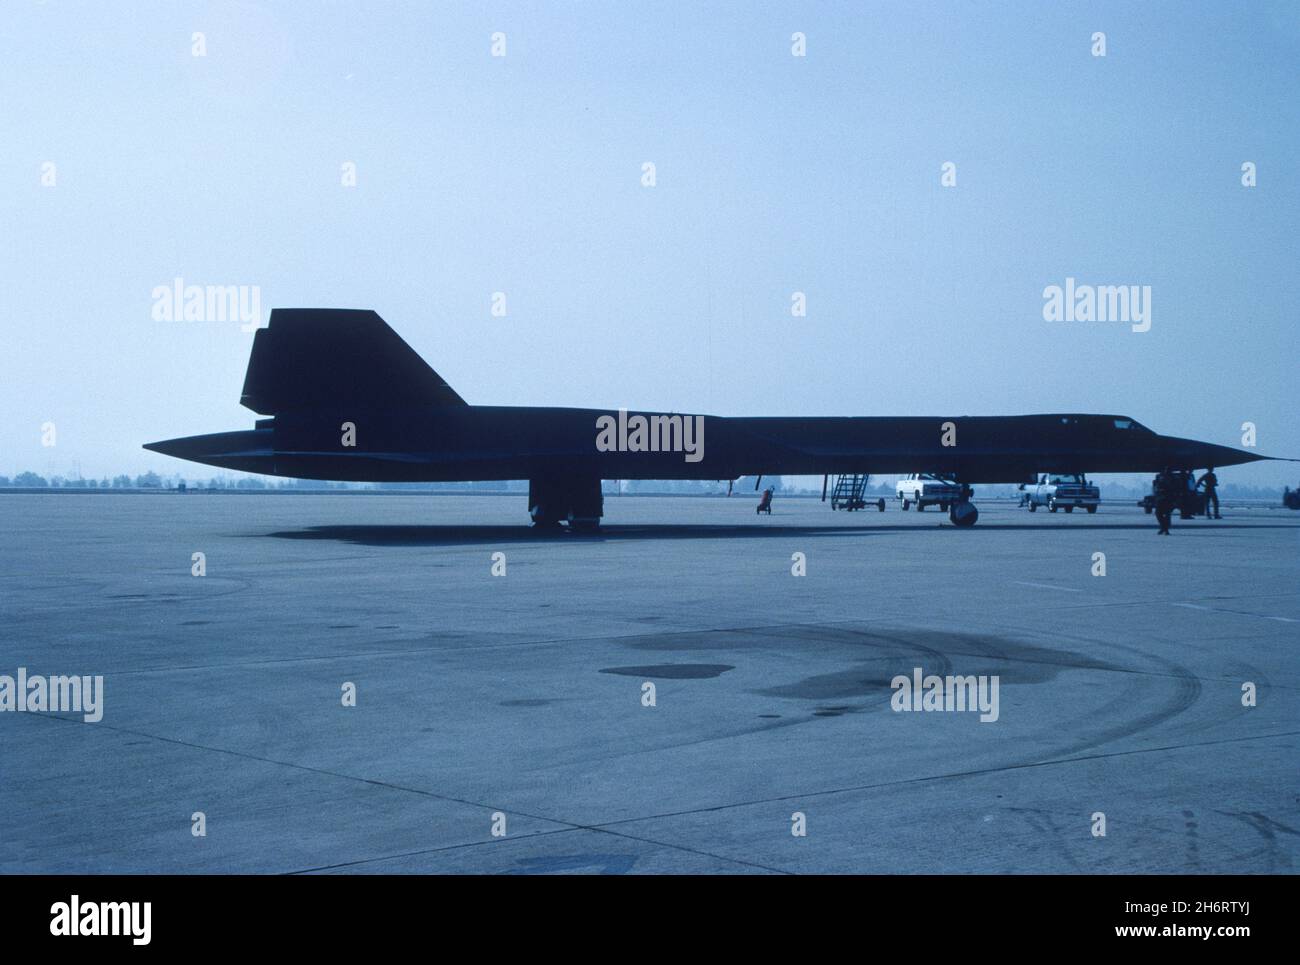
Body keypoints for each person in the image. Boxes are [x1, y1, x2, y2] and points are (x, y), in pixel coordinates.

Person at [1153, 470, 1176, 535]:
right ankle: (1164, 528)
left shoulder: (1169, 483)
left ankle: (1164, 529)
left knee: (1164, 515)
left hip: (1166, 500)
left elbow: (1172, 492)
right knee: (1160, 514)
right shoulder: (1160, 483)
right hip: (1161, 500)